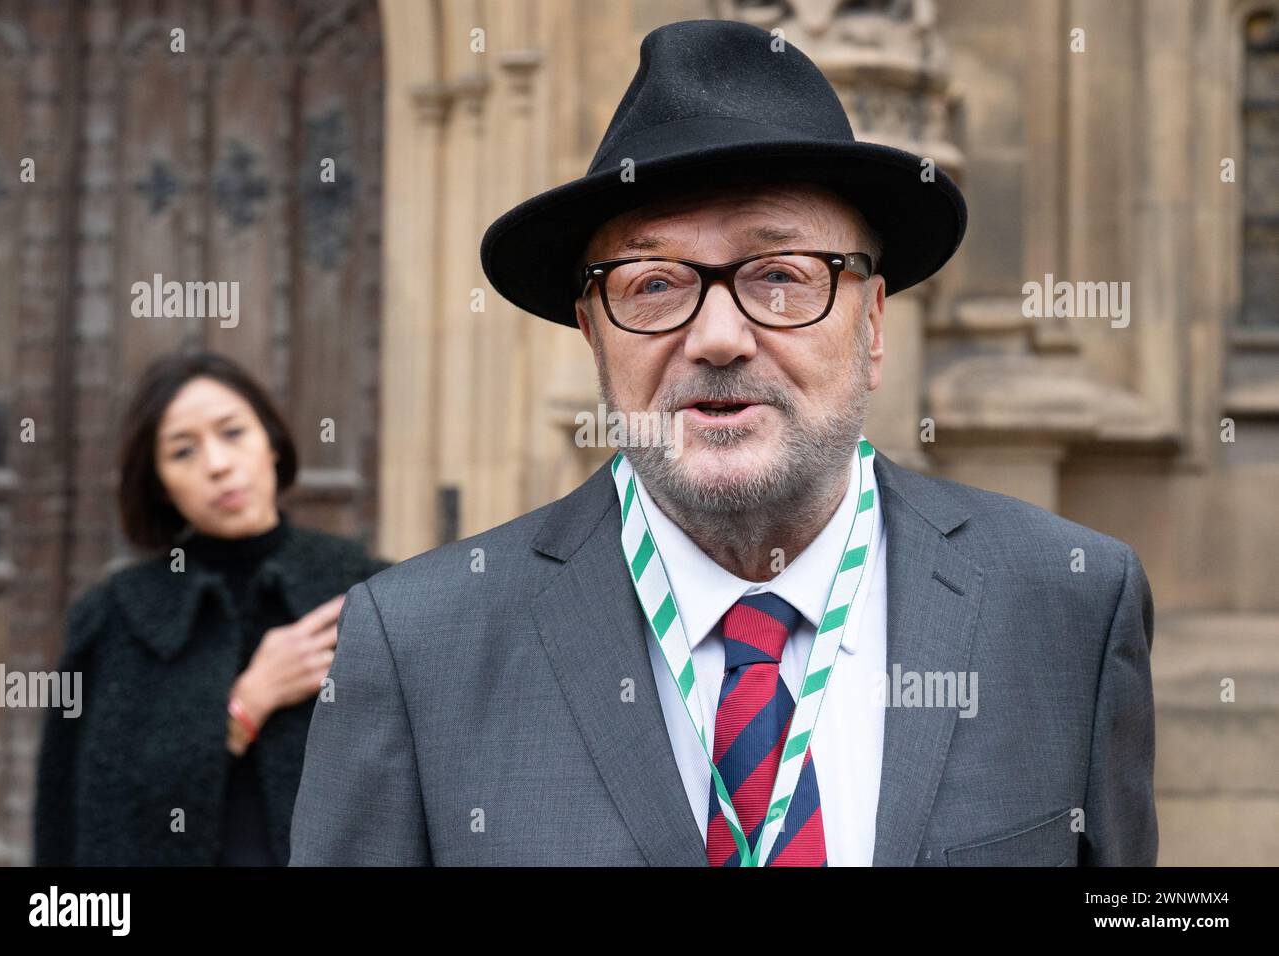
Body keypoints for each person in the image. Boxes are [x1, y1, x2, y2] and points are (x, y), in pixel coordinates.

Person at [290, 19, 1156, 866]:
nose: (717, 337)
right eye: (655, 283)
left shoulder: (1067, 604)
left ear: (874, 323)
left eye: (779, 276)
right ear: (594, 333)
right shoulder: (420, 646)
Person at [33, 351, 390, 865]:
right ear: (159, 484)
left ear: (270, 440)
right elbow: (84, 813)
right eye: (183, 452)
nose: (218, 465)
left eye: (233, 433)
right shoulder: (115, 618)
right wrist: (244, 706)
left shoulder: (368, 589)